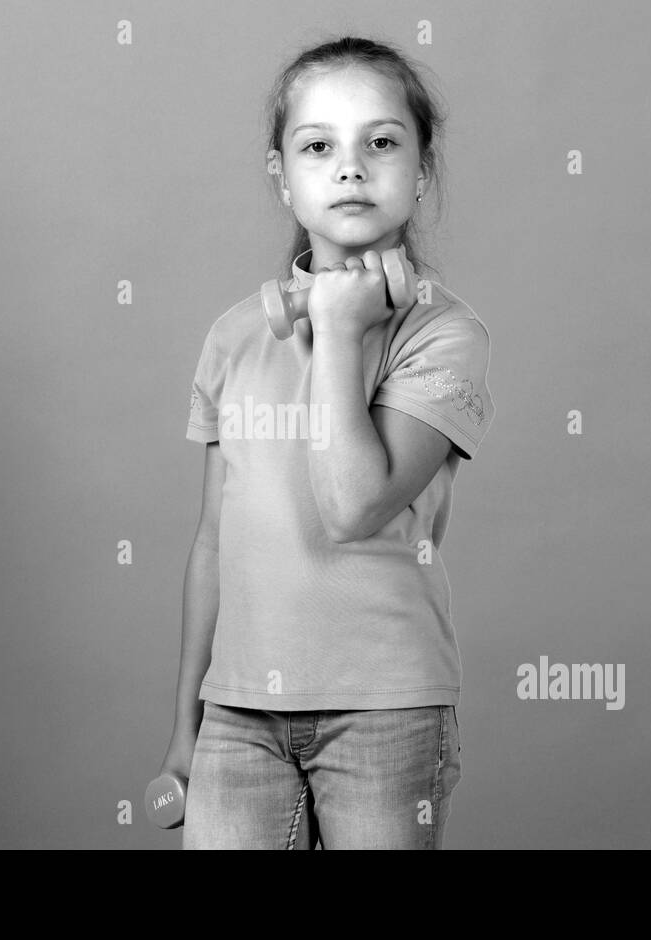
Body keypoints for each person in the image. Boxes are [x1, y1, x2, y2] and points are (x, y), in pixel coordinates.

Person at [160, 35, 494, 849]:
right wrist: (186, 726)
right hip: (237, 713)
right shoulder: (236, 336)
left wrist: (340, 331)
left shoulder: (445, 336)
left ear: (420, 172)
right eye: (319, 146)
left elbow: (351, 505)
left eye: (381, 142)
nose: (350, 167)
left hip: (384, 709)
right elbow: (214, 544)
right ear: (283, 176)